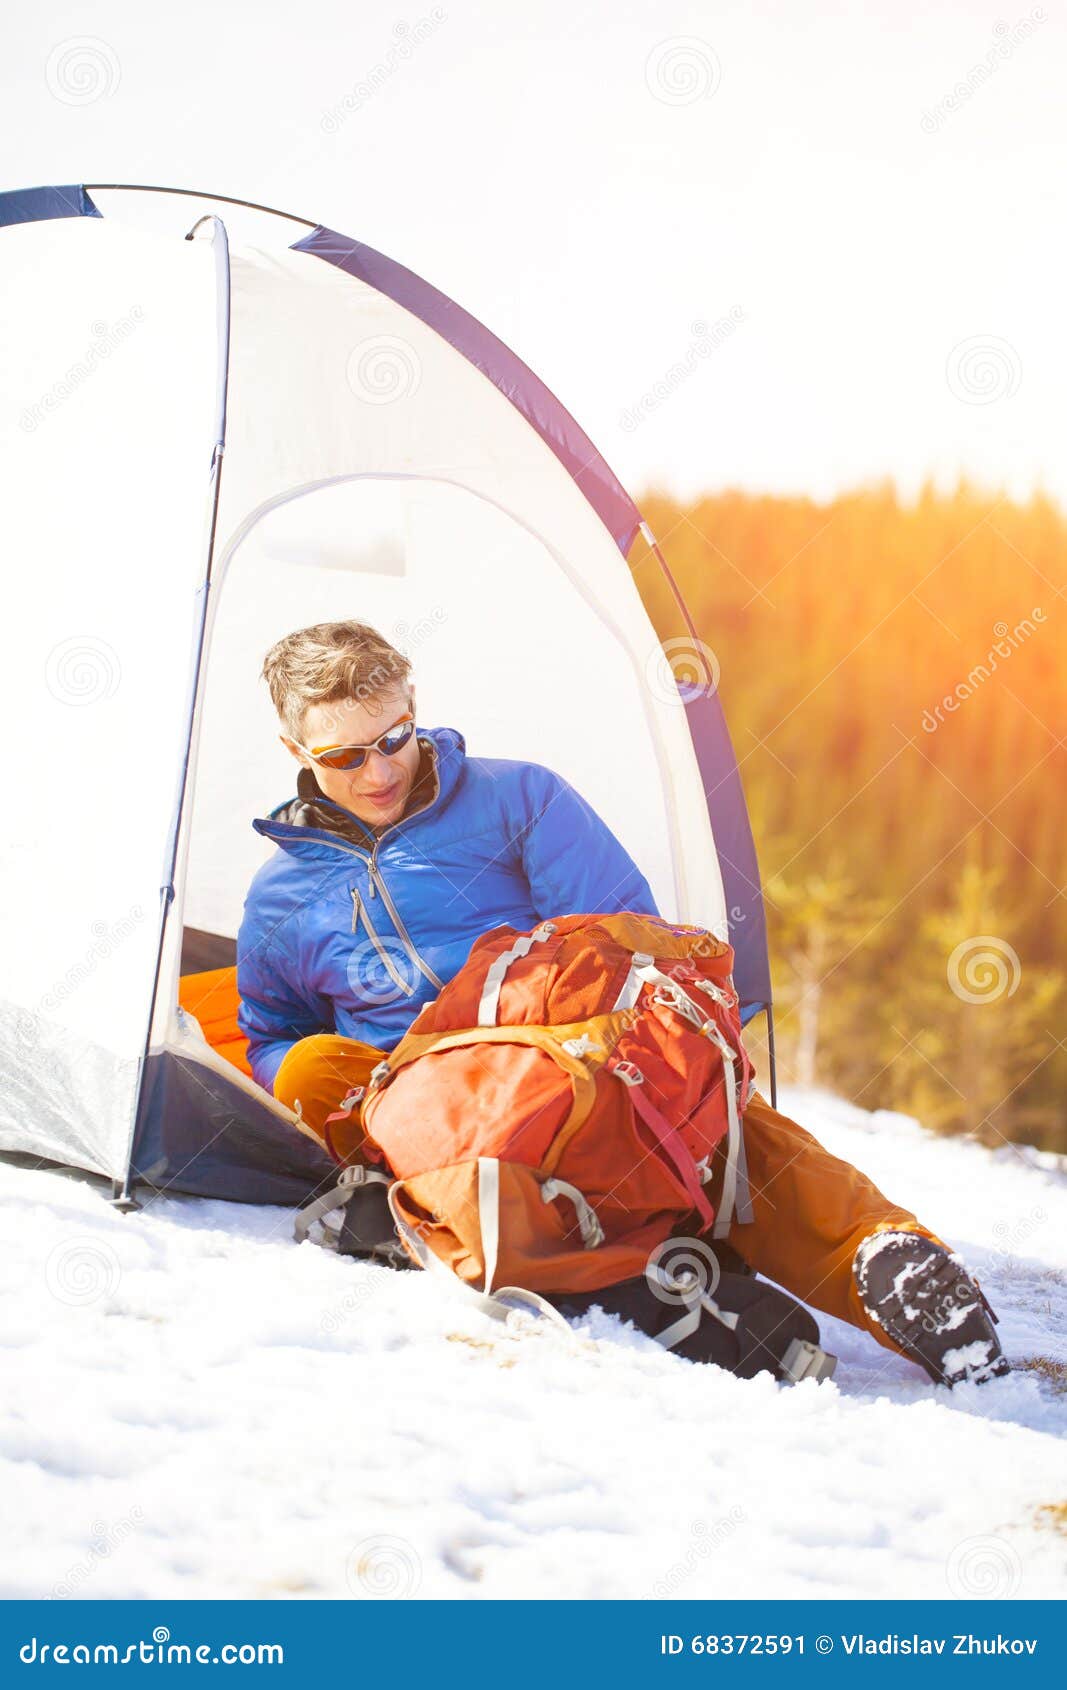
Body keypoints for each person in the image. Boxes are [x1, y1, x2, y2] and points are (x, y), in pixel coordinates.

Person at [236, 620, 1009, 1387]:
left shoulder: (517, 799)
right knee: (314, 1068)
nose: (377, 772)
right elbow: (271, 1036)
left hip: (562, 1059)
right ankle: (636, 1271)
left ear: (413, 707)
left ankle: (882, 1261)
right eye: (342, 756)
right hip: (423, 1100)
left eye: (393, 739)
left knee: (700, 1123)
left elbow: (629, 949)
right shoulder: (282, 897)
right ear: (295, 754)